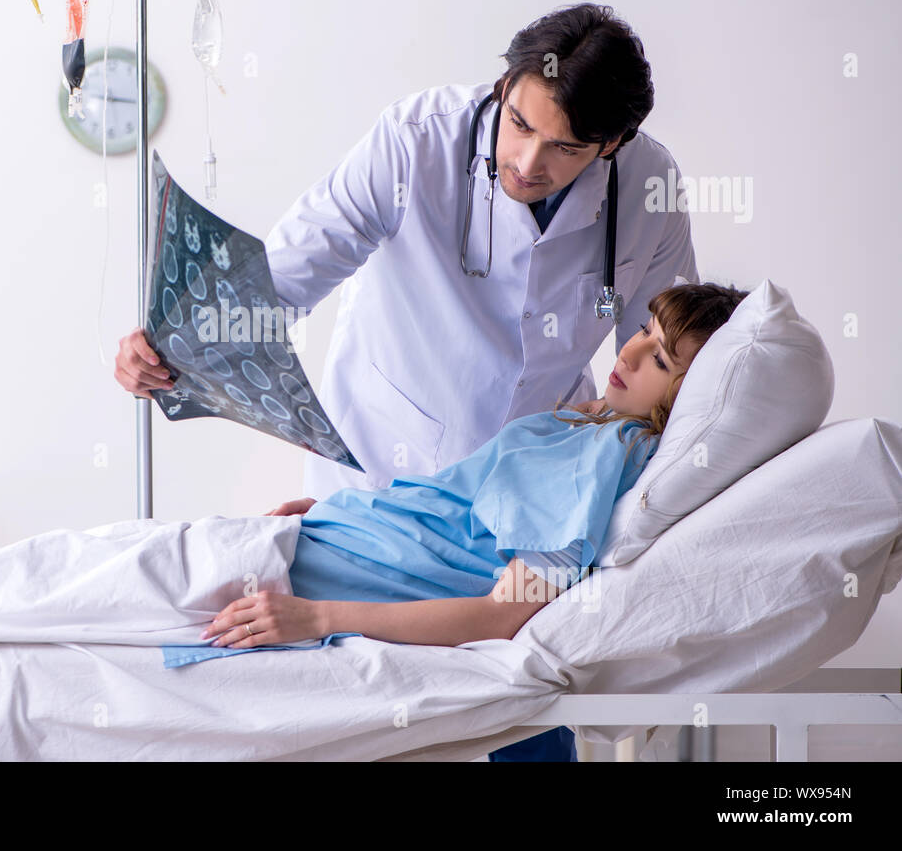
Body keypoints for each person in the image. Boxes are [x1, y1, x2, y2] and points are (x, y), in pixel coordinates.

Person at [116, 4, 700, 761]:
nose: (528, 162)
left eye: (566, 148)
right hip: (379, 482)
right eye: (518, 124)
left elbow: (671, 365)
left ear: (612, 145)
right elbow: (282, 280)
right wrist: (169, 347)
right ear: (502, 86)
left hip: (524, 506)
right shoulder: (417, 141)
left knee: (513, 720)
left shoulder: (648, 189)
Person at [190, 283, 748, 760]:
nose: (628, 353)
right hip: (318, 539)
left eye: (661, 359)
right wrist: (336, 510)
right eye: (645, 329)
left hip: (308, 578)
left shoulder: (604, 457)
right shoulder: (579, 428)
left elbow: (503, 615)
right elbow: (458, 512)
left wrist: (315, 618)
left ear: (686, 397)